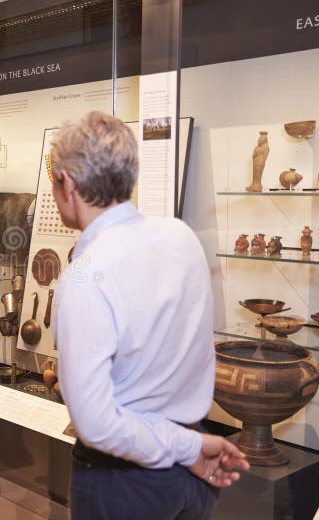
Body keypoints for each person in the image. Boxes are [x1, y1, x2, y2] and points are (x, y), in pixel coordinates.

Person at [48, 111, 249, 519]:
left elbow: (97, 424)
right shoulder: (181, 237)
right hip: (193, 471)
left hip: (125, 483)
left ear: (67, 182)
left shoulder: (83, 277)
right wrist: (188, 447)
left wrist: (187, 449)